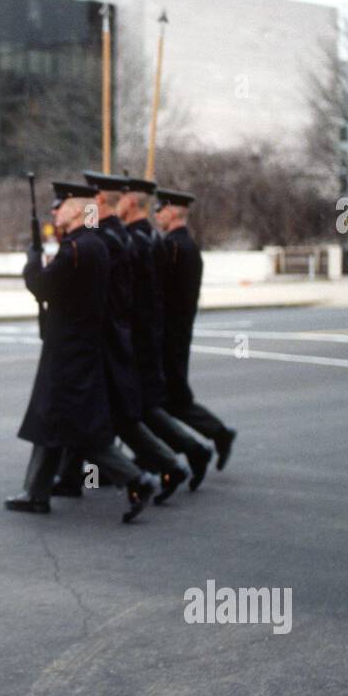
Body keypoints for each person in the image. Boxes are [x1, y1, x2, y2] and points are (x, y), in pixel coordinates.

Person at [6, 180, 159, 523]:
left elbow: (43, 287)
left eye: (59, 207)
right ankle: (36, 493)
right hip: (76, 347)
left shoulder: (78, 248)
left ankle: (137, 479)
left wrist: (33, 263)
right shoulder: (89, 243)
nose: (54, 212)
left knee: (78, 430)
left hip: (69, 351)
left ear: (76, 210)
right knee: (52, 421)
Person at [53, 172, 188, 503]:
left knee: (110, 416)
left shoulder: (109, 239)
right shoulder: (116, 236)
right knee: (95, 413)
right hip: (113, 338)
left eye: (91, 199)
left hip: (107, 340)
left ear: (99, 201)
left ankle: (164, 466)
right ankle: (72, 476)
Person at [116, 177, 213, 490]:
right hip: (148, 336)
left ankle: (177, 458)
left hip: (143, 338)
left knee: (138, 408)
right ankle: (166, 459)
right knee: (139, 408)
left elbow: (150, 297)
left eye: (121, 197)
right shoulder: (151, 240)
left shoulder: (148, 242)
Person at [155, 188, 237, 470]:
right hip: (177, 332)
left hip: (169, 335)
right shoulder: (183, 245)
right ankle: (213, 436)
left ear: (173, 212)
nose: (157, 215)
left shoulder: (174, 247)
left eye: (161, 210)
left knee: (168, 400)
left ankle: (205, 441)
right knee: (172, 399)